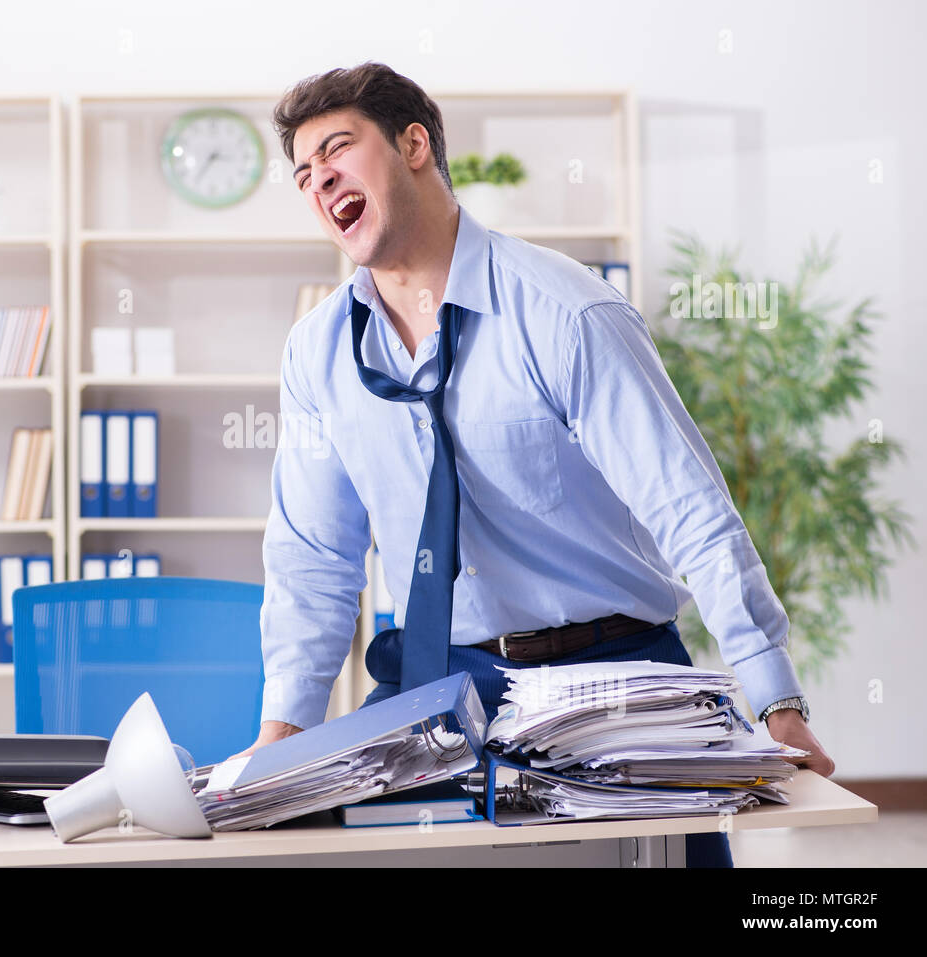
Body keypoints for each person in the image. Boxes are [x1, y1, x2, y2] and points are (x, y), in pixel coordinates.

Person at [233, 62, 835, 867]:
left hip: (613, 671)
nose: (320, 181)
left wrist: (776, 695)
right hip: (442, 679)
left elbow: (686, 503)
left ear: (415, 144)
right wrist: (283, 740)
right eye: (304, 174)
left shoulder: (565, 311)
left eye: (338, 150)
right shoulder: (318, 353)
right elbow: (314, 556)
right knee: (350, 850)